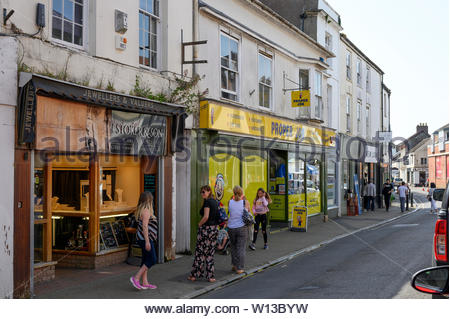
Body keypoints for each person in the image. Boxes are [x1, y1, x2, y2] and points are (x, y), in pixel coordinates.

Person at [188, 185, 219, 283]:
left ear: (209, 191)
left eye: (204, 192)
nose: (202, 194)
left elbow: (206, 216)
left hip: (206, 230)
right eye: (201, 192)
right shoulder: (215, 201)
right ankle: (211, 277)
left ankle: (194, 275)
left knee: (200, 253)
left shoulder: (207, 202)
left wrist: (199, 224)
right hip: (214, 229)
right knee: (210, 253)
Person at [130, 192, 158, 290]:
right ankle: (136, 278)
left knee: (145, 260)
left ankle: (145, 282)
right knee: (152, 259)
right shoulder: (146, 211)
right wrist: (147, 241)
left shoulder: (142, 210)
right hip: (146, 239)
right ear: (149, 200)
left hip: (143, 238)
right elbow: (145, 226)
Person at [228, 185, 250, 274]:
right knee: (240, 248)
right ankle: (240, 268)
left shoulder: (229, 202)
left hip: (231, 227)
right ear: (242, 193)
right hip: (241, 227)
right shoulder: (245, 202)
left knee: (233, 247)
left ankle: (234, 265)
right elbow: (248, 214)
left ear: (233, 192)